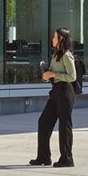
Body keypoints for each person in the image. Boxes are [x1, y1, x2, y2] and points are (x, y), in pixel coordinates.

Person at [32, 27, 77, 167]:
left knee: (65, 125)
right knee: (44, 122)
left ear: (61, 39)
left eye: (54, 37)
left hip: (65, 91)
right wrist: (48, 75)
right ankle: (43, 157)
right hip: (56, 90)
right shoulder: (56, 54)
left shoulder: (66, 55)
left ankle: (67, 159)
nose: (52, 39)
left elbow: (72, 76)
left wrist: (54, 75)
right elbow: (54, 74)